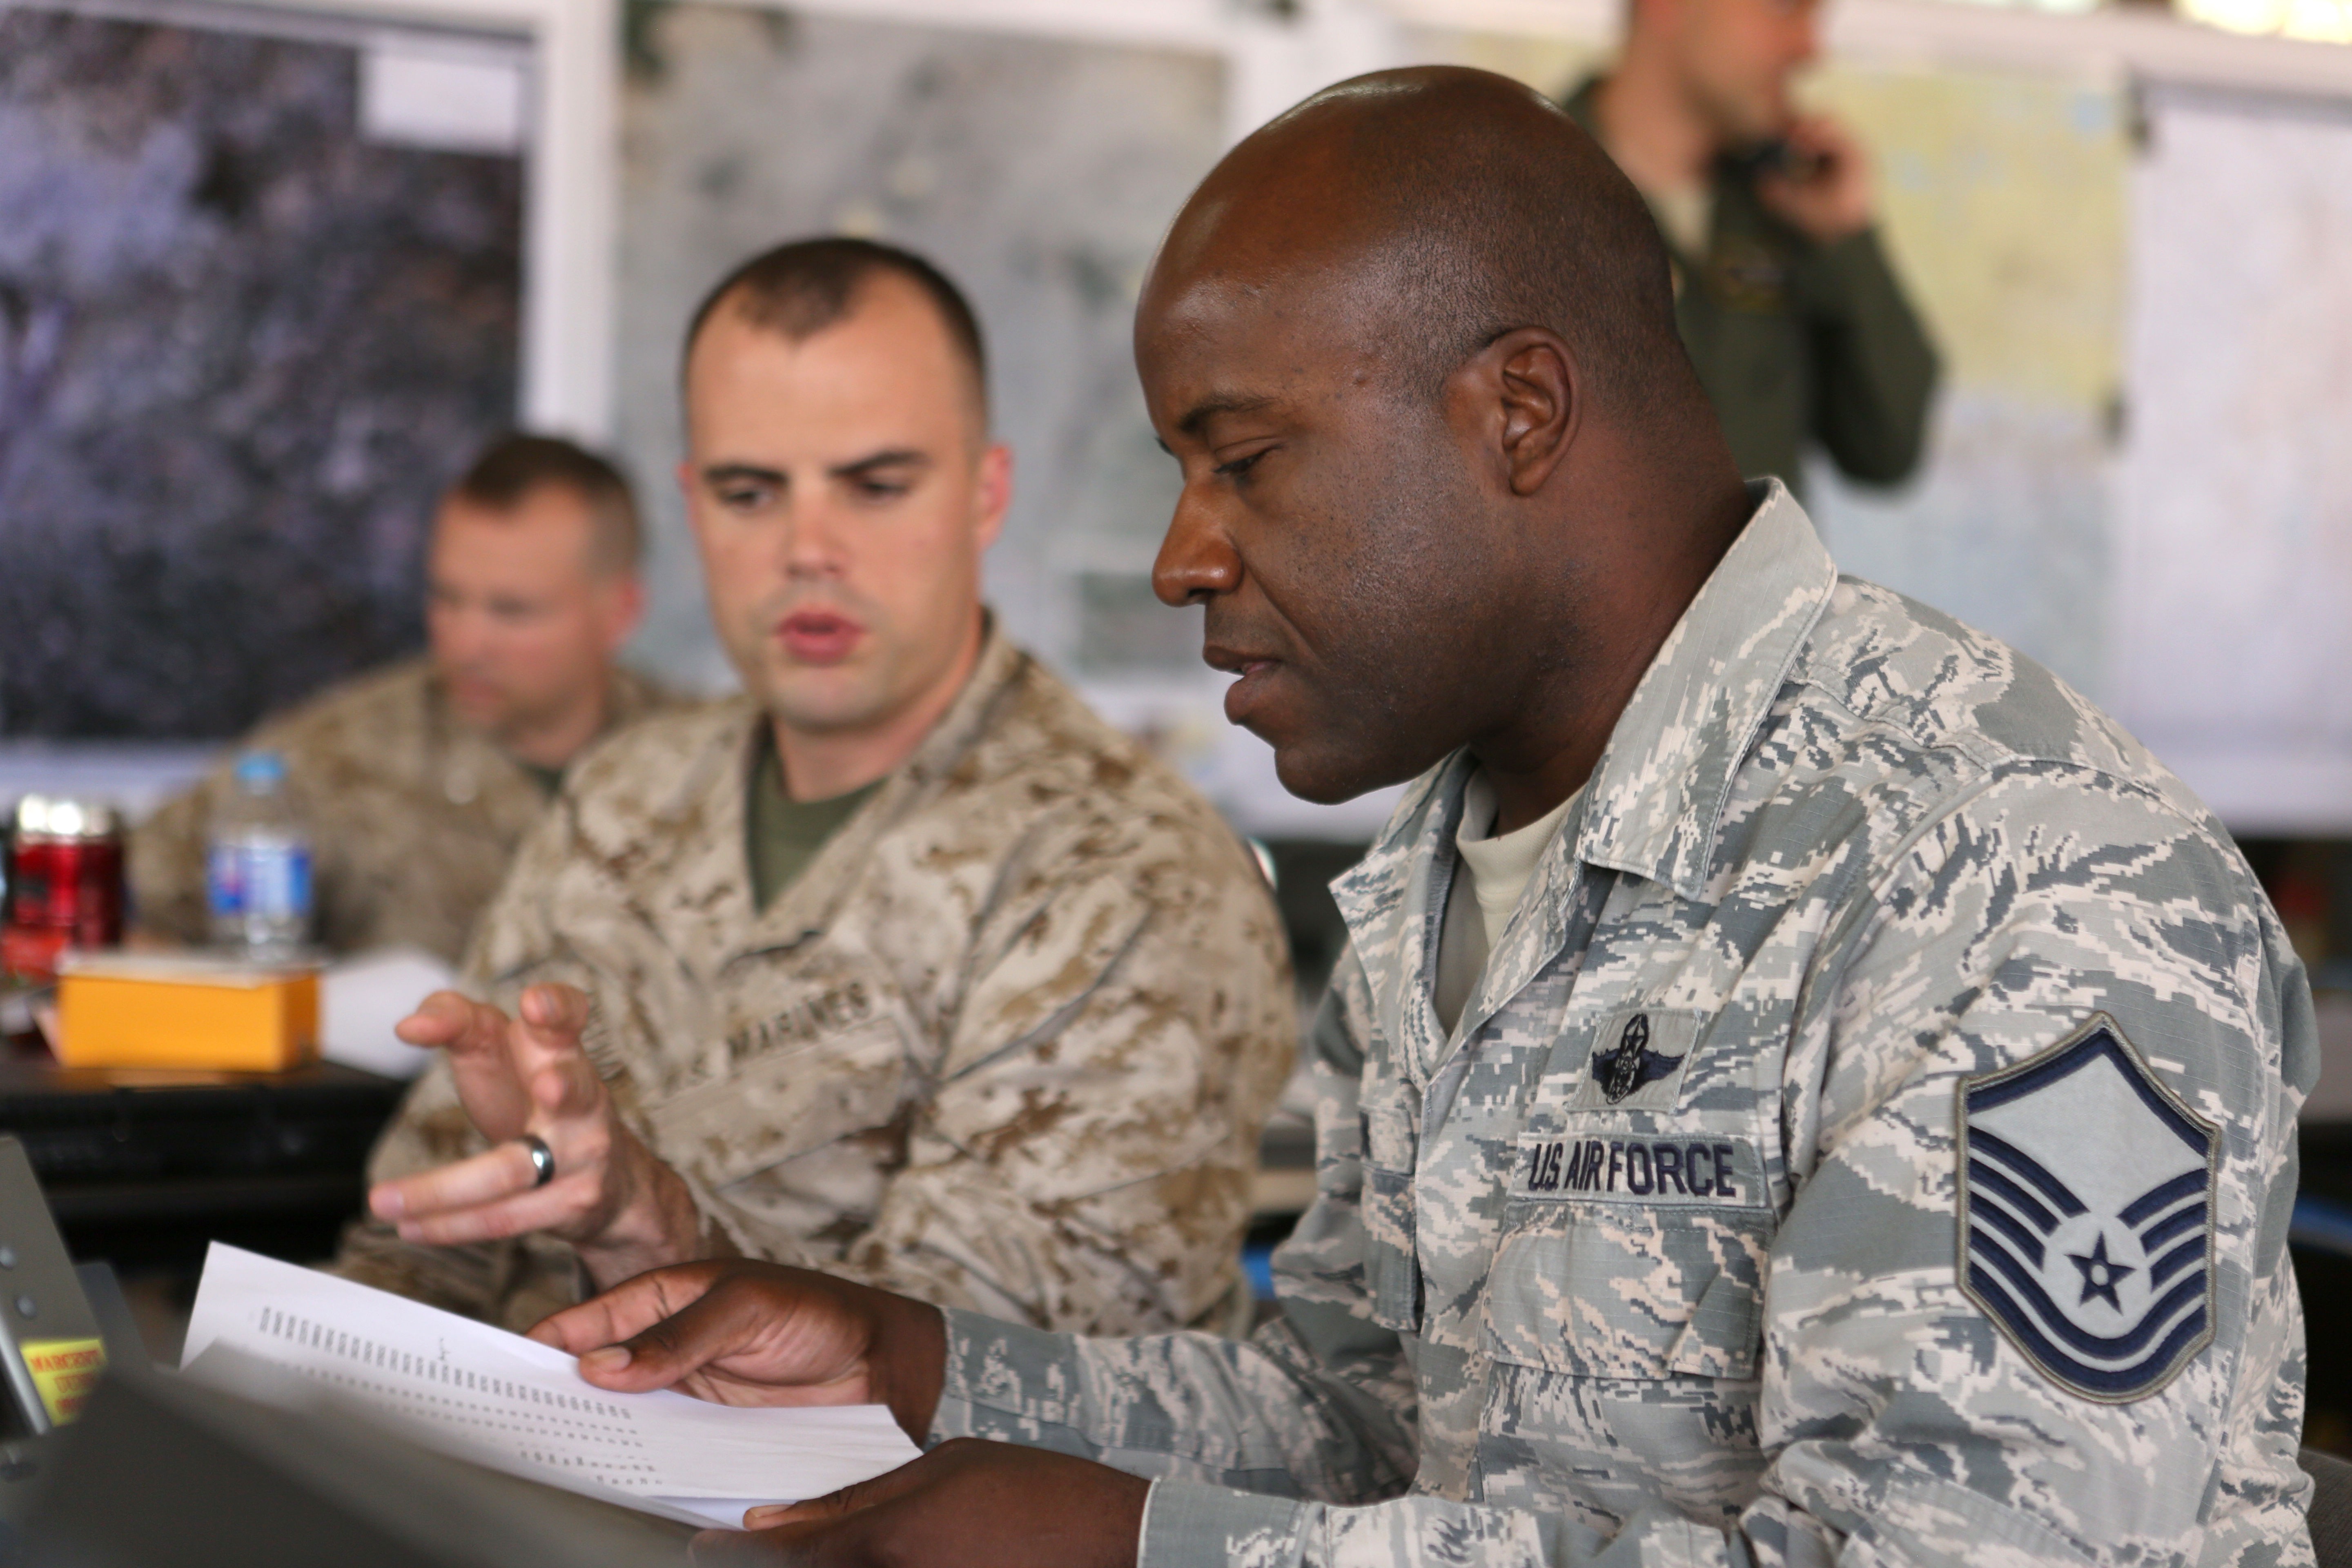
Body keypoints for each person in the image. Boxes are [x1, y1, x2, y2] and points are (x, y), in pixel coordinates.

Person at [529, 70, 2313, 1567]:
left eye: (1243, 457)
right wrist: (913, 1372)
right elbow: (1368, 1417)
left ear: (1517, 411)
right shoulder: (1435, 879)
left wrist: (1145, 1546)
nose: (1181, 557)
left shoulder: (2015, 873)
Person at [332, 238, 1296, 1339]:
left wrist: (654, 1231)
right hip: (490, 1491)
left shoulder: (1129, 876)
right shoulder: (624, 795)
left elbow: (1012, 1392)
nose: (808, 549)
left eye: (876, 486)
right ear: (694, 506)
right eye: (751, 493)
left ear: (985, 495)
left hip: (821, 1512)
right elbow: (416, 1251)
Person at [129, 434, 673, 966]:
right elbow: (135, 892)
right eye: (448, 598)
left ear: (619, 612)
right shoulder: (344, 756)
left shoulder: (699, 763)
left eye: (512, 611)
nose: (467, 643)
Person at [1564, 0, 1939, 494]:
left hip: (1770, 573)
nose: (1811, 50)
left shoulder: (1786, 202)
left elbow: (1888, 449)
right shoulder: (1519, 192)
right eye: (1785, 9)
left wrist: (1845, 240)